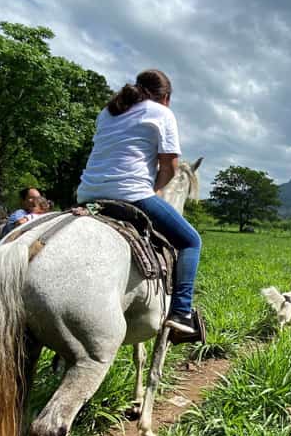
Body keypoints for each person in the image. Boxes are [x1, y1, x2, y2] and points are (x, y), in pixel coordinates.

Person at [76, 69, 201, 335]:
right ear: (165, 97)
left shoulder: (107, 112)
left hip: (87, 196)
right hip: (131, 193)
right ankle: (182, 311)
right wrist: (153, 189)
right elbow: (169, 167)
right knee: (191, 241)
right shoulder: (162, 113)